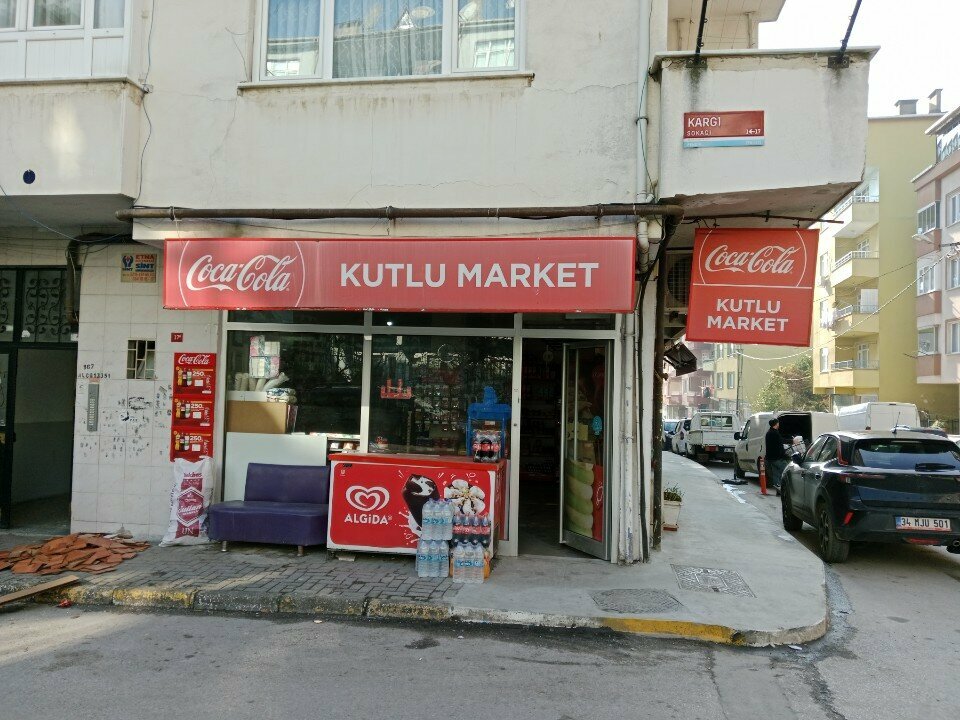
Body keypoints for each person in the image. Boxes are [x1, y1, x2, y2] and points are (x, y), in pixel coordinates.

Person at [764, 418, 789, 493]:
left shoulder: (769, 432)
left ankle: (778, 490)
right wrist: (792, 441)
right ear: (776, 424)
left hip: (770, 458)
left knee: (776, 473)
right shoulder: (774, 433)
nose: (779, 424)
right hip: (776, 458)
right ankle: (783, 489)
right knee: (786, 469)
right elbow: (781, 441)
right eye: (778, 423)